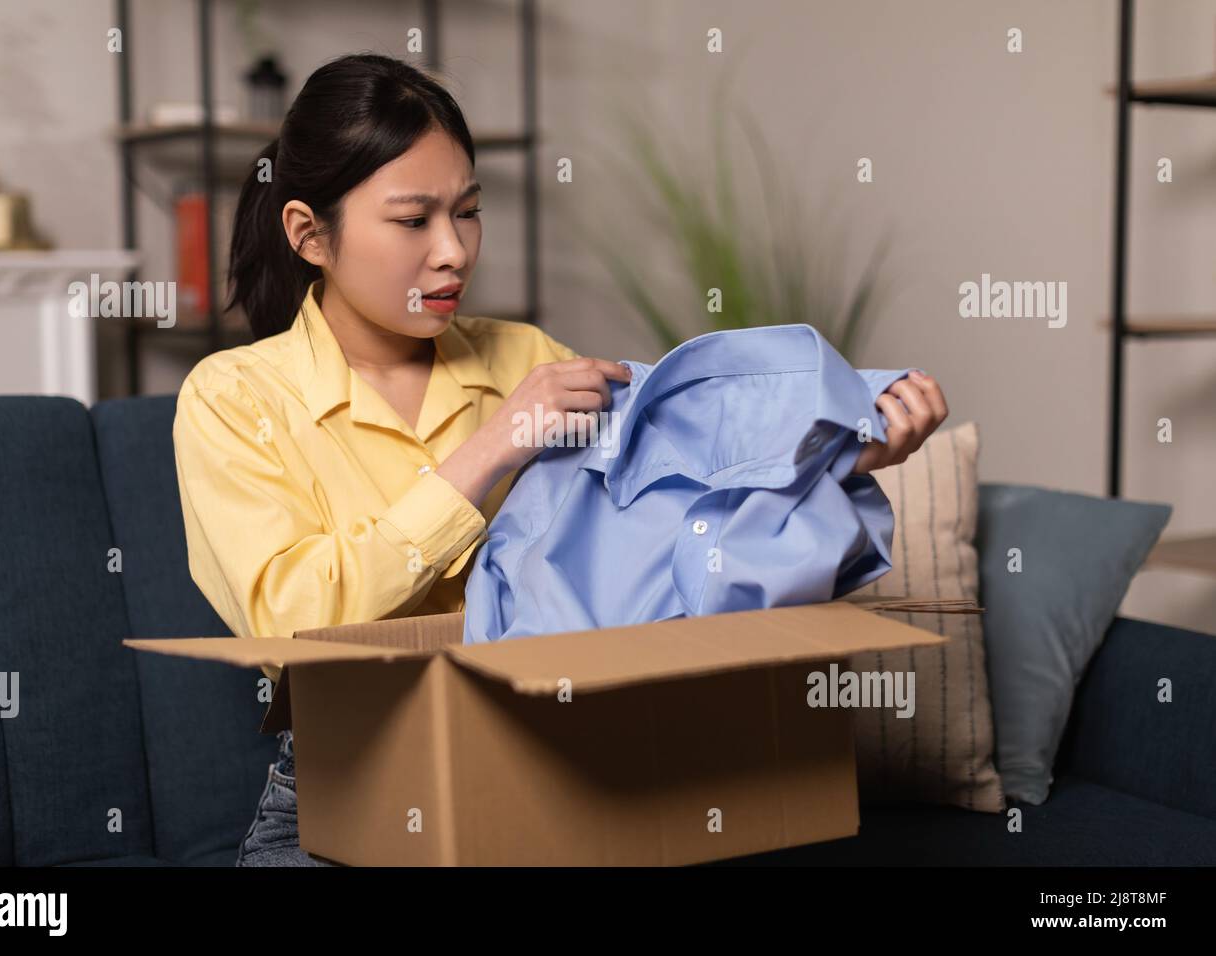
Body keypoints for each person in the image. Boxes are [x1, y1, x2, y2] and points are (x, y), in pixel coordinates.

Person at [171, 53, 949, 867]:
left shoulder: (530, 358)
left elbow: (667, 521)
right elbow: (289, 622)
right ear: (308, 234)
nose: (454, 252)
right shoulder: (235, 398)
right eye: (413, 221)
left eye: (467, 212)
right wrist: (495, 445)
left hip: (561, 758)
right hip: (345, 791)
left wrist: (841, 461)